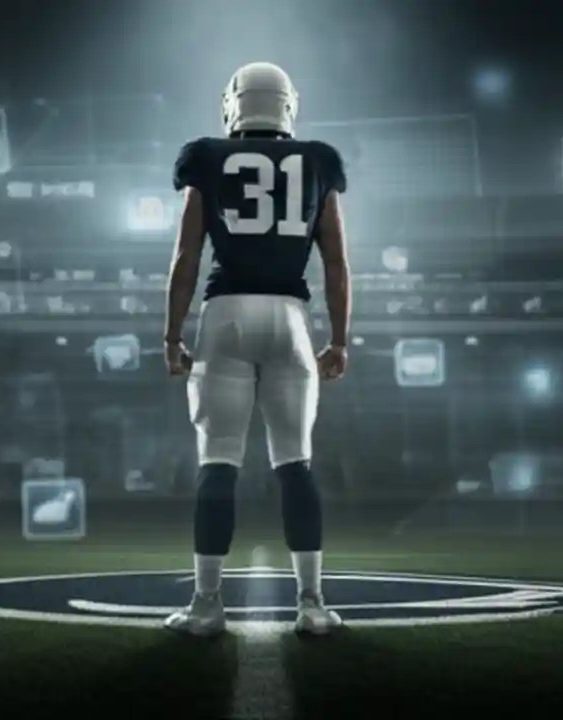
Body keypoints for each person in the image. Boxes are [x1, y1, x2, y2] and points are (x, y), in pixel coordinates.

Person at [161, 61, 352, 636]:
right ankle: (313, 604)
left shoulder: (206, 154)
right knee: (296, 463)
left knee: (218, 461)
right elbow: (337, 261)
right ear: (287, 105)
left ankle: (205, 606)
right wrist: (339, 337)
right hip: (290, 318)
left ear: (234, 104)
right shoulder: (318, 159)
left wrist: (172, 336)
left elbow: (186, 258)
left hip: (225, 317)